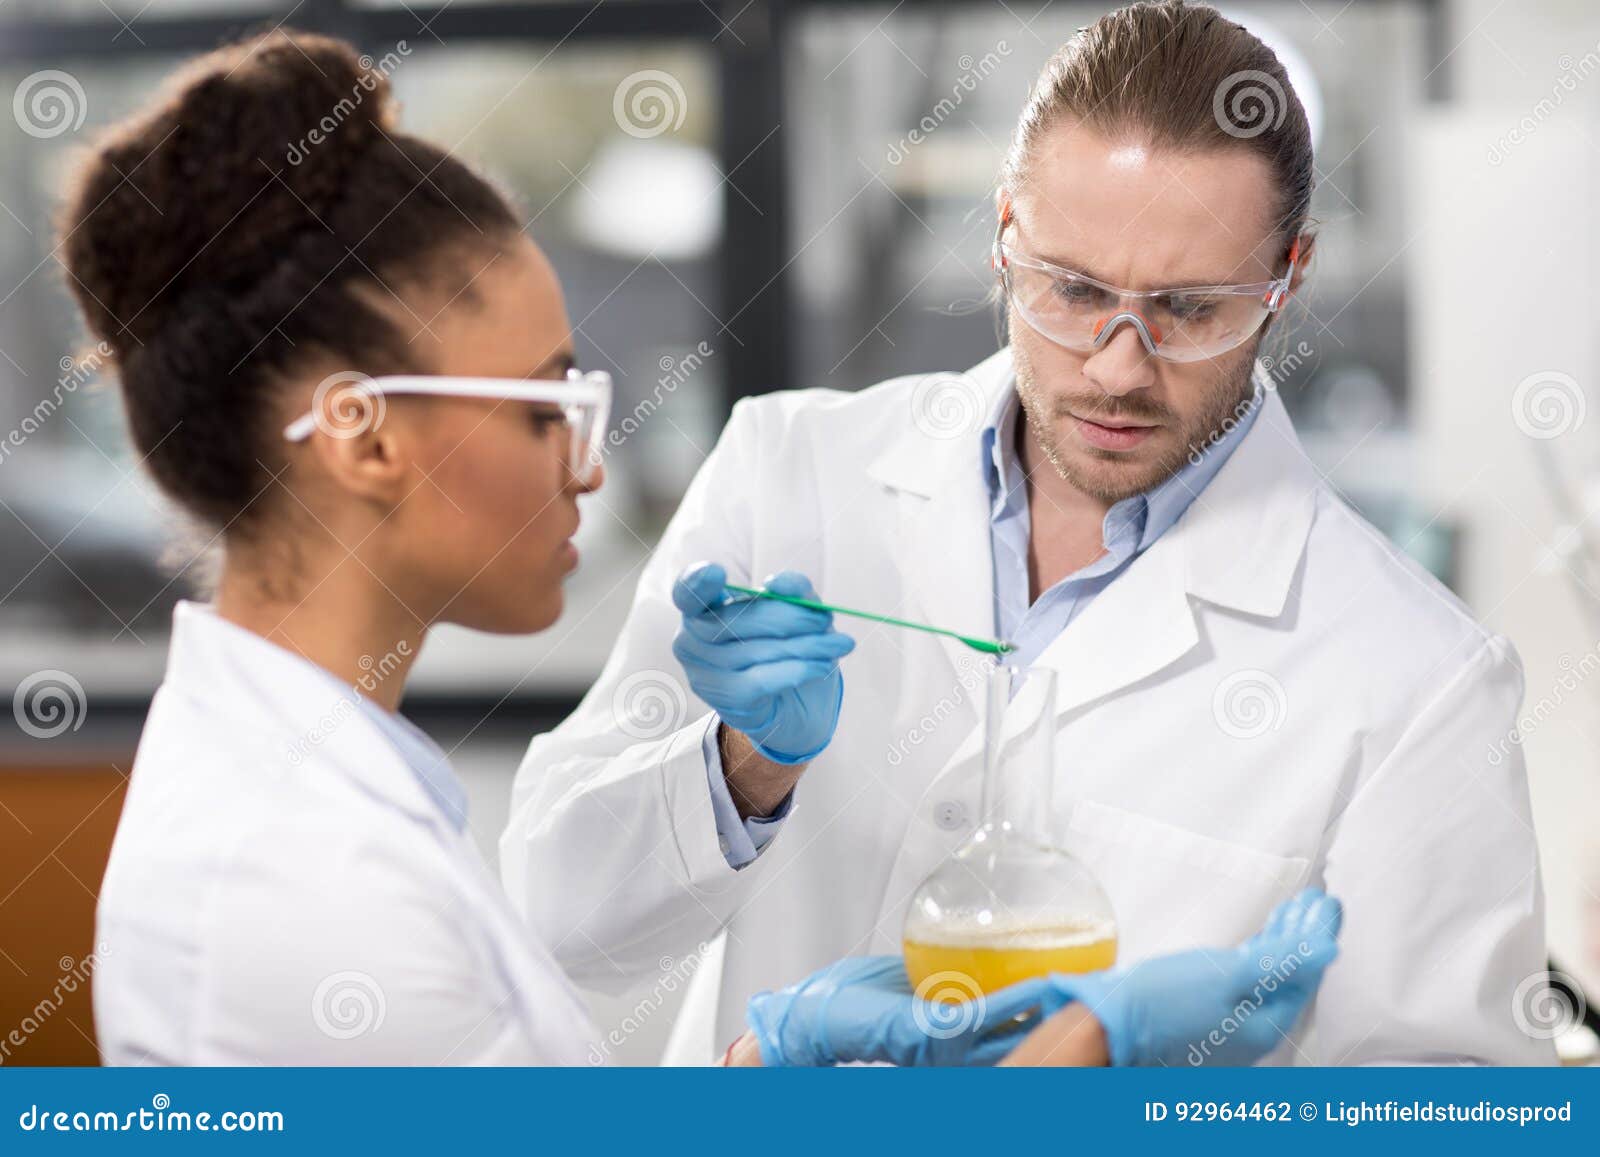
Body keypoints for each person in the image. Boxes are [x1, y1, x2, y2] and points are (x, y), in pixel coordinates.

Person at [71, 29, 1343, 1068]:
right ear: (358, 434)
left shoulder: (322, 794)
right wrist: (1069, 1061)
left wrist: (760, 1066)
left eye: (1185, 307)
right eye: (543, 407)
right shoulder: (312, 892)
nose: (588, 464)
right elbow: (563, 915)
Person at [506, 0, 1553, 1066]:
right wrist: (743, 770)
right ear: (1004, 232)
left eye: (1188, 308)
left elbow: (1463, 1110)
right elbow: (553, 915)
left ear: (1288, 274)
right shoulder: (790, 473)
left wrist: (1140, 1092)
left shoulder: (1418, 681)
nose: (1116, 366)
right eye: (1074, 290)